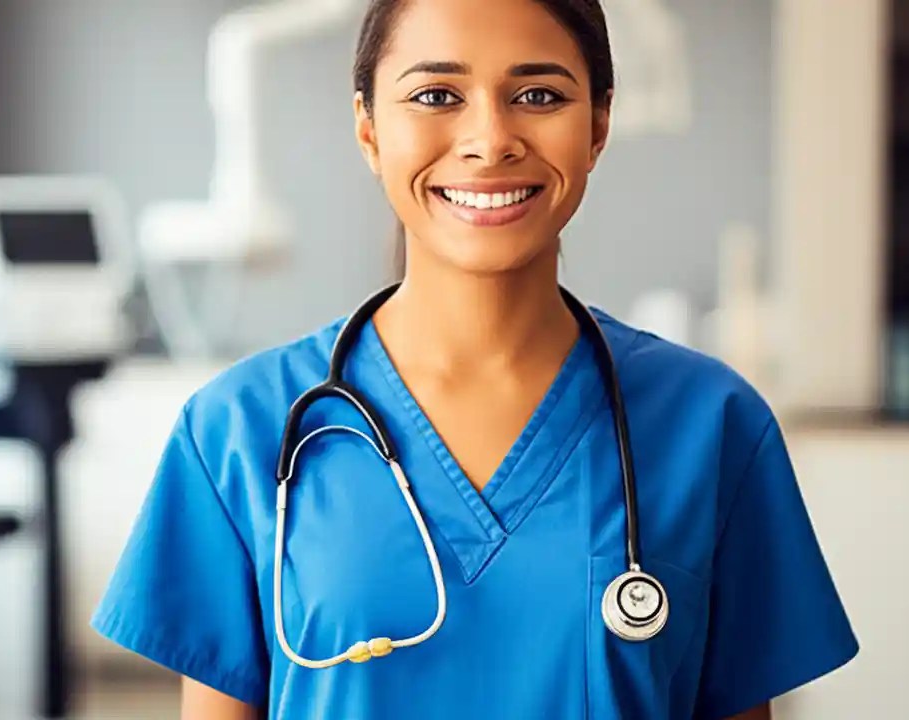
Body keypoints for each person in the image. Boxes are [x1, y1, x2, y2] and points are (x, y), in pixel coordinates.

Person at [90, 0, 859, 717]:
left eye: (538, 96)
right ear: (368, 131)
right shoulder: (236, 431)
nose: (490, 138)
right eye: (435, 96)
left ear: (598, 125)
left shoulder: (712, 427)